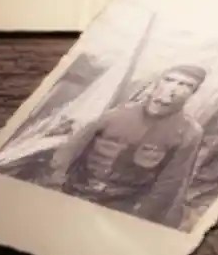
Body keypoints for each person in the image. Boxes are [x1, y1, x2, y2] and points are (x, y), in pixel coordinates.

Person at [45, 65, 207, 230]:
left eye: (186, 85)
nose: (173, 89)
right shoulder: (118, 112)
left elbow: (170, 183)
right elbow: (72, 147)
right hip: (75, 189)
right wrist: (56, 181)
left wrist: (138, 218)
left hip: (120, 204)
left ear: (193, 94)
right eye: (169, 80)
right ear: (156, 84)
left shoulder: (188, 132)